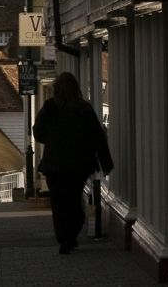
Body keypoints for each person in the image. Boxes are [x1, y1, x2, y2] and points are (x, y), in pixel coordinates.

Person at [33, 72, 113, 254]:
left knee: (58, 203)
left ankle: (64, 237)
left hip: (54, 166)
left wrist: (52, 140)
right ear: (76, 88)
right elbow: (97, 137)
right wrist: (105, 163)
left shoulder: (50, 107)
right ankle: (72, 234)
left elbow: (38, 132)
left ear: (57, 89)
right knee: (74, 201)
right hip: (78, 165)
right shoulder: (84, 109)